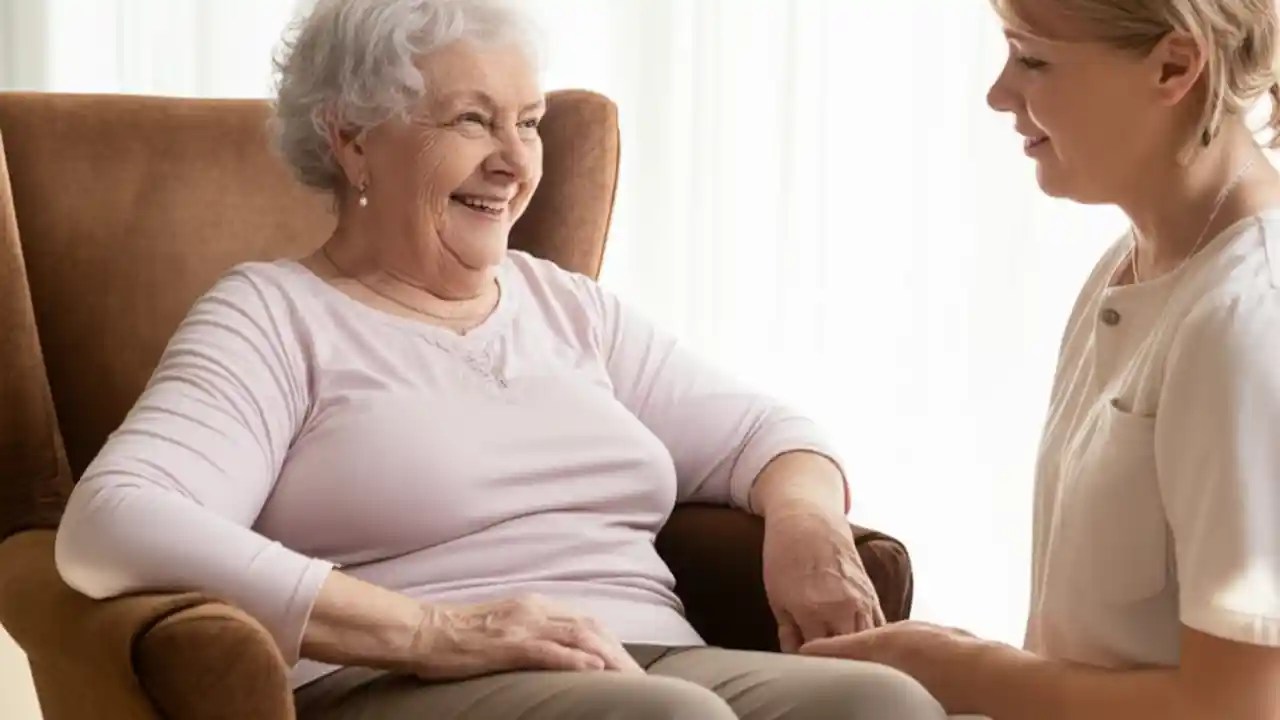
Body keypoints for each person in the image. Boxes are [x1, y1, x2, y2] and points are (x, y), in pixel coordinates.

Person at [52, 1, 954, 718]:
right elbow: (114, 522)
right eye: (472, 121)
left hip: (650, 656)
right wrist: (432, 631)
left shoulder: (566, 307)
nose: (515, 162)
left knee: (884, 702)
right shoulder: (276, 316)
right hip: (405, 685)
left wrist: (804, 521)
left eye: (526, 122)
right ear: (352, 138)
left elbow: (767, 432)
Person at [800, 1, 1280, 718]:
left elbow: (1238, 708)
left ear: (1175, 67)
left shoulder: (1248, 320)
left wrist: (951, 665)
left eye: (1033, 60)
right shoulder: (1130, 268)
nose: (999, 93)